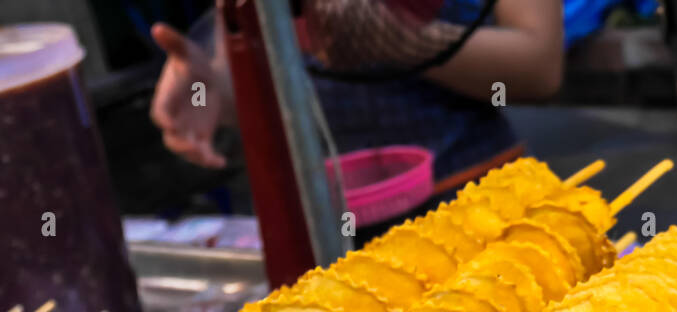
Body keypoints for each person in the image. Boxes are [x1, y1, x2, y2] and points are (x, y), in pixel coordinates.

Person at [148, 0, 564, 193]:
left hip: (477, 200)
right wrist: (204, 91)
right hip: (329, 233)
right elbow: (257, 82)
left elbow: (539, 71)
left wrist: (402, 43)